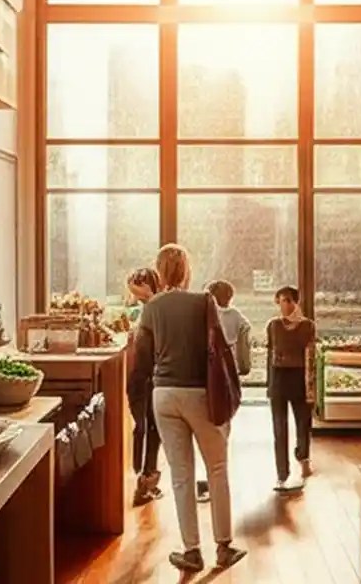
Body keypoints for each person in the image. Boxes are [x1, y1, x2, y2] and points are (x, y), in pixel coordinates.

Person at [133, 244, 246, 572]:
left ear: (160, 270)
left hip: (164, 395)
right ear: (186, 270)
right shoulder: (203, 302)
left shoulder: (151, 307)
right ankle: (223, 547)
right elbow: (218, 347)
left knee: (181, 476)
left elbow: (143, 358)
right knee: (217, 468)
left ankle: (191, 552)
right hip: (200, 394)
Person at [266, 285, 316, 492]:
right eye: (281, 301)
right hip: (278, 378)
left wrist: (312, 387)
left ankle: (303, 457)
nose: (284, 305)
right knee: (279, 427)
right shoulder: (273, 325)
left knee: (303, 422)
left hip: (299, 378)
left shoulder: (308, 326)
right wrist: (268, 384)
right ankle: (281, 473)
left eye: (288, 300)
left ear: (296, 302)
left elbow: (311, 357)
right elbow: (270, 354)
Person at [125, 267, 164, 506]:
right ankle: (144, 479)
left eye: (137, 291)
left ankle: (144, 478)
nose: (134, 297)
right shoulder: (150, 309)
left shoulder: (153, 309)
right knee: (146, 428)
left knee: (147, 428)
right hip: (144, 378)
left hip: (147, 377)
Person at [206, 280, 252, 377]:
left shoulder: (209, 312)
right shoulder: (234, 313)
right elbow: (245, 327)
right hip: (230, 352)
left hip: (212, 353)